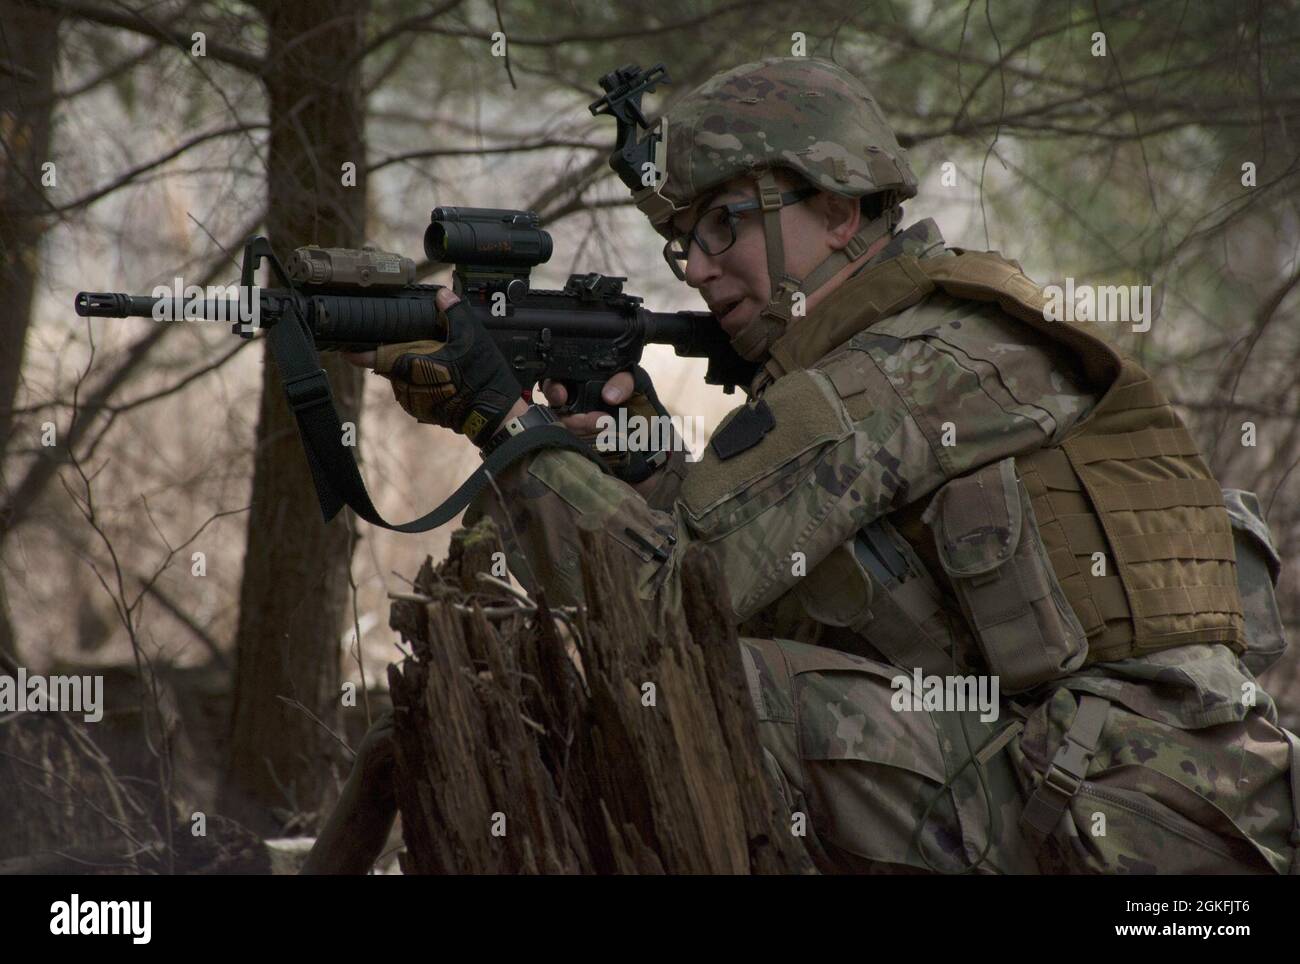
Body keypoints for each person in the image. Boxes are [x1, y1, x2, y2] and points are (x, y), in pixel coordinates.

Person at [339, 57, 1299, 874]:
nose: (701, 268)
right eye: (685, 242)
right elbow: (769, 566)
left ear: (839, 212)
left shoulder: (900, 375)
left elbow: (670, 612)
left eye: (727, 225)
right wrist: (623, 461)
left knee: (706, 689)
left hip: (1111, 819)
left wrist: (511, 430)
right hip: (1161, 809)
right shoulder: (937, 340)